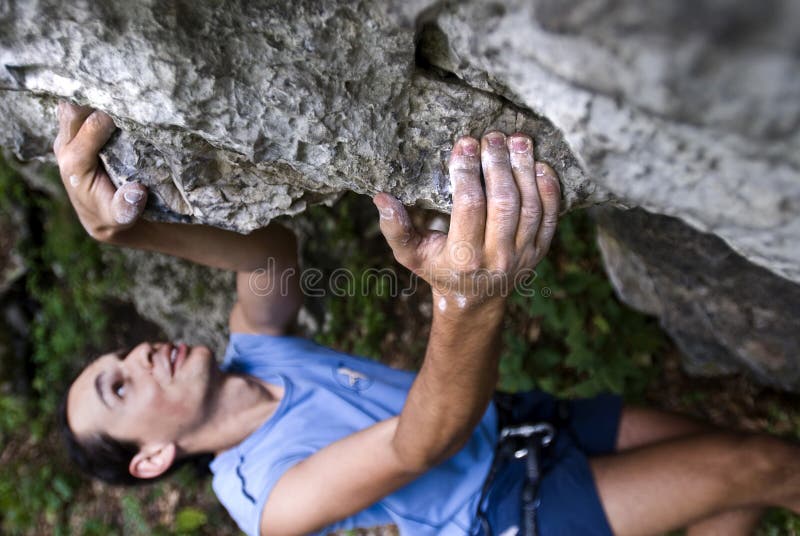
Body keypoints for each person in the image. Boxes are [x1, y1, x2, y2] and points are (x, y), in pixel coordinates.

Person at [55, 100, 800, 536]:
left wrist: (132, 229)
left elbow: (270, 255)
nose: (142, 354)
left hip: (512, 424)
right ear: (152, 457)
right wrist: (466, 301)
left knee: (732, 471)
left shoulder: (255, 354)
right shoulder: (271, 500)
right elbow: (421, 444)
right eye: (119, 389)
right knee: (758, 466)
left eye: (120, 358)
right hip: (505, 509)